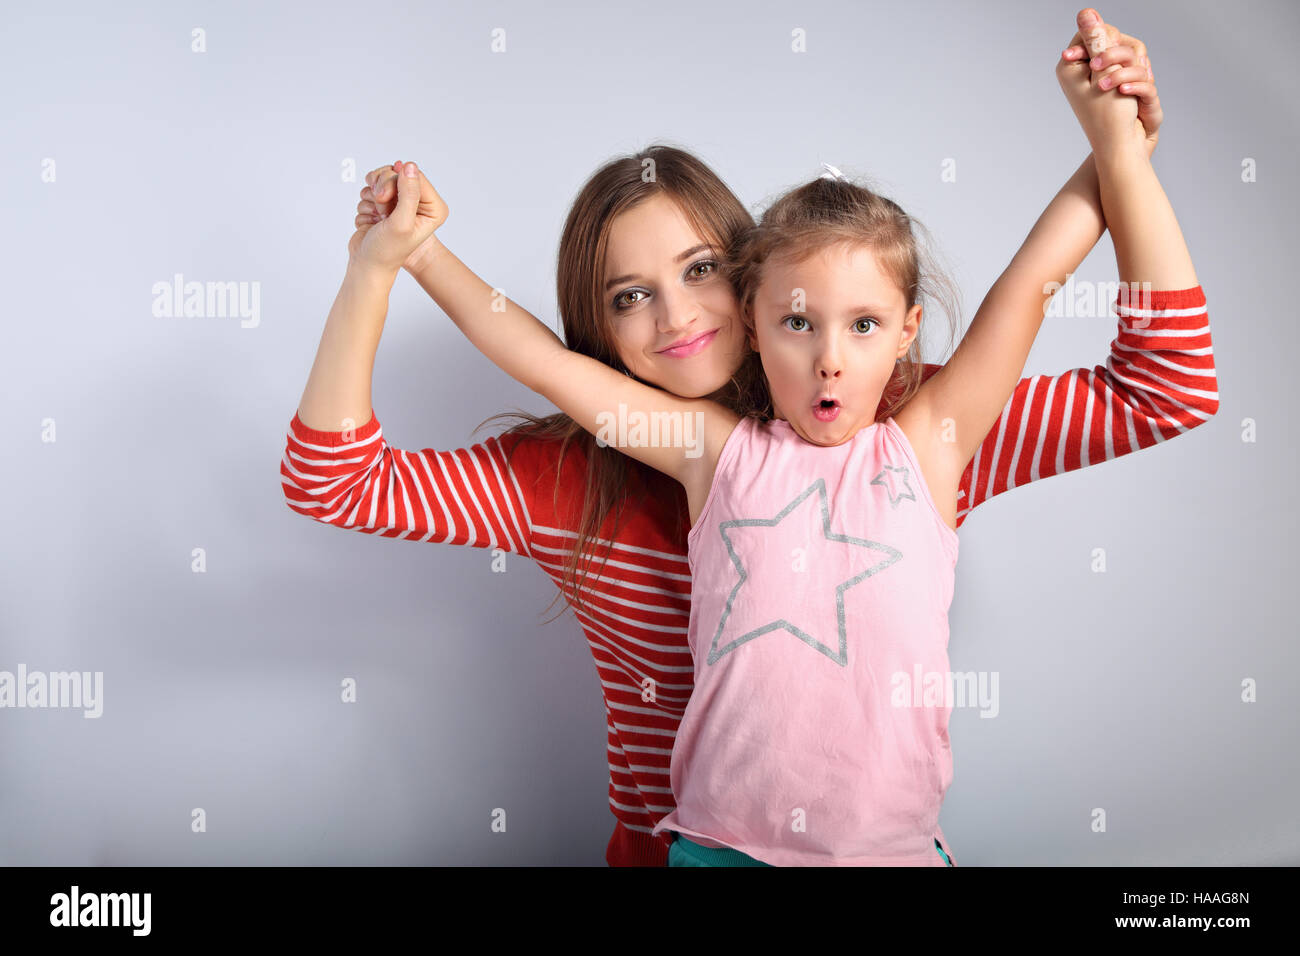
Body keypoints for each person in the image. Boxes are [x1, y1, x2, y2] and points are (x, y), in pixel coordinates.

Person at [283, 9, 1217, 864]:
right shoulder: (666, 456)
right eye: (628, 296)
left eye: (699, 270)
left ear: (756, 279)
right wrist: (393, 262)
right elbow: (354, 467)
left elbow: (1145, 370)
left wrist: (1120, 157)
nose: (678, 315)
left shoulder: (914, 426)